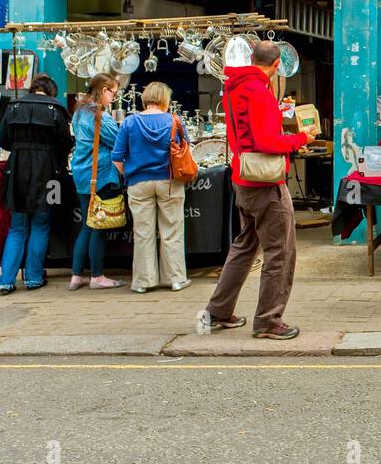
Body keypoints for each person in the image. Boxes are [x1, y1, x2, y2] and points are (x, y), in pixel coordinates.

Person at [204, 41, 313, 339]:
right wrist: (300, 138)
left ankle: (218, 311)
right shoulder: (260, 92)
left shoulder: (233, 88)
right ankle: (268, 320)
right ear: (277, 65)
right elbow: (267, 141)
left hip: (243, 177)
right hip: (266, 184)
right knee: (280, 252)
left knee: (244, 246)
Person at [112, 81, 192, 293]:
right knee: (172, 230)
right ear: (165, 99)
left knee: (143, 233)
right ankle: (175, 279)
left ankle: (143, 282)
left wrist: (129, 173)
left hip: (138, 183)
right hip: (169, 181)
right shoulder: (174, 121)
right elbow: (187, 148)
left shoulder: (129, 122)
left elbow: (117, 157)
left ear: (145, 98)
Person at [0, 74, 73, 294]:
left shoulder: (13, 106)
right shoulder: (56, 109)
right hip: (50, 175)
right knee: (43, 222)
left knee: (17, 226)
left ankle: (6, 279)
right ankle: (33, 277)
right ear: (51, 91)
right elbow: (66, 143)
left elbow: (3, 141)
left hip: (17, 172)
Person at [68, 74, 126, 291]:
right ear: (104, 90)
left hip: (82, 175)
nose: (113, 97)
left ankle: (76, 275)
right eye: (113, 92)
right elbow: (118, 142)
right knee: (99, 226)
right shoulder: (101, 116)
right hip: (100, 175)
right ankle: (97, 276)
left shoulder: (79, 112)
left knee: (87, 224)